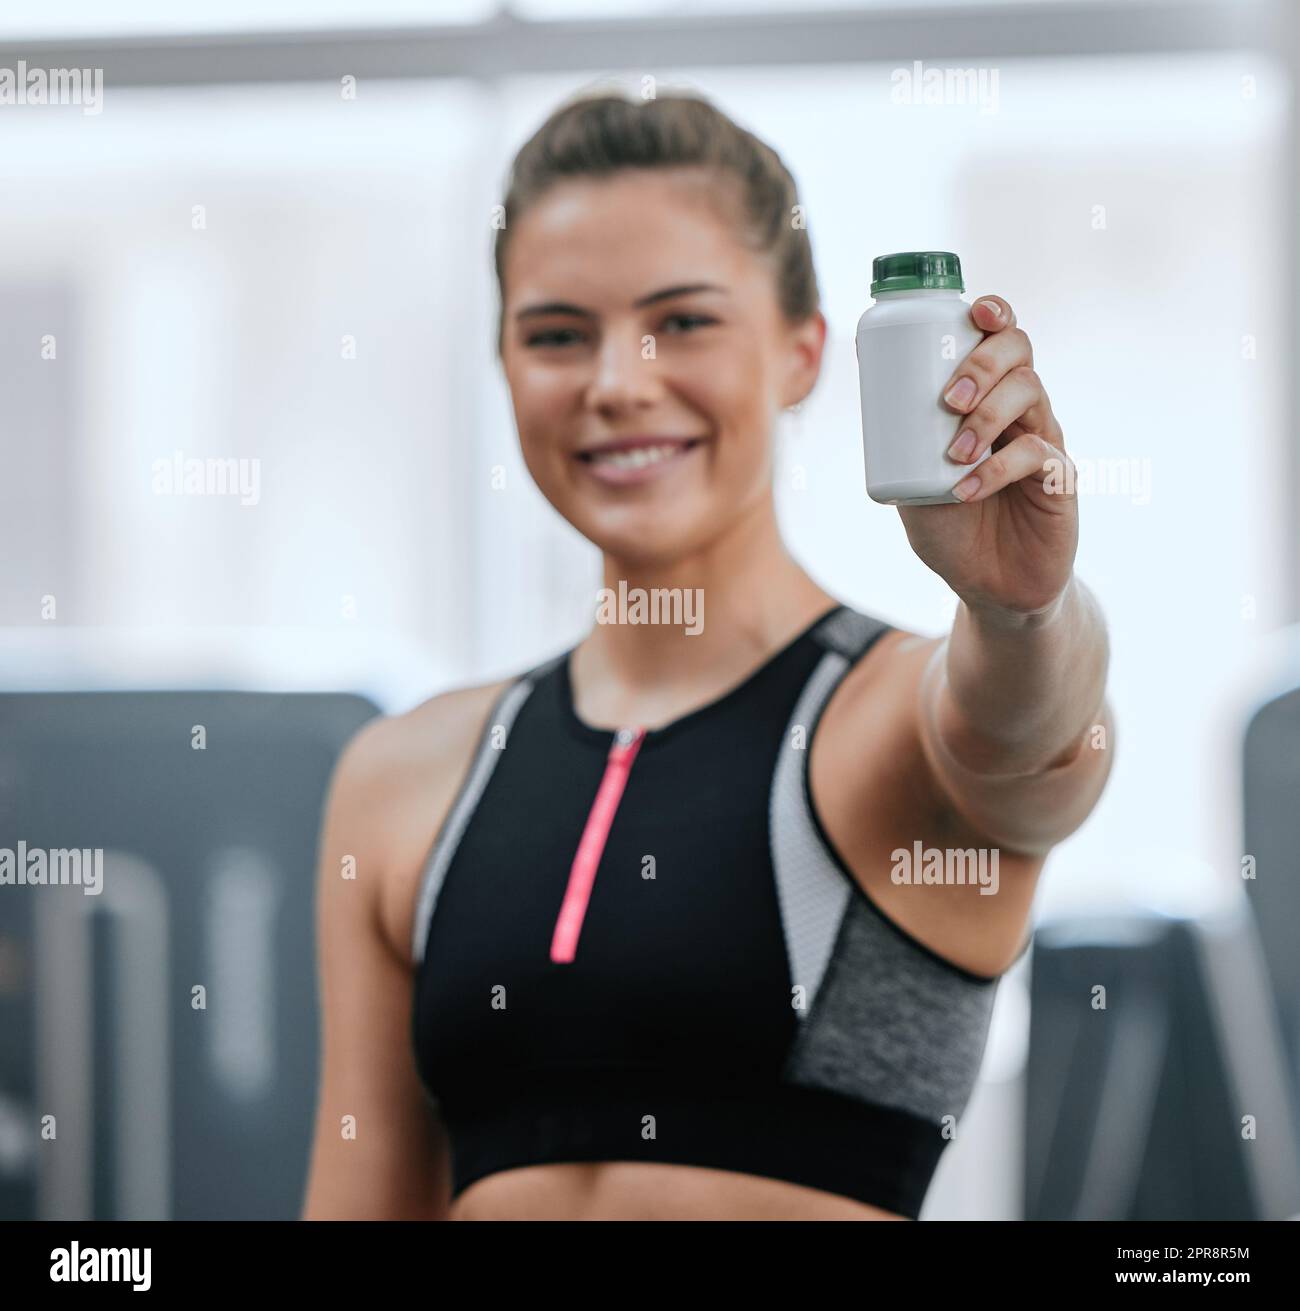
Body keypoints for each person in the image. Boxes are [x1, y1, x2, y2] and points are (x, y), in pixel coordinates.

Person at [301, 89, 1114, 1221]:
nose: (617, 383)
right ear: (503, 365)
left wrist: (1023, 608)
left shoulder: (888, 725)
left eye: (681, 321)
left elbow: (1034, 738)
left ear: (803, 352)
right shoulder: (400, 779)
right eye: (555, 334)